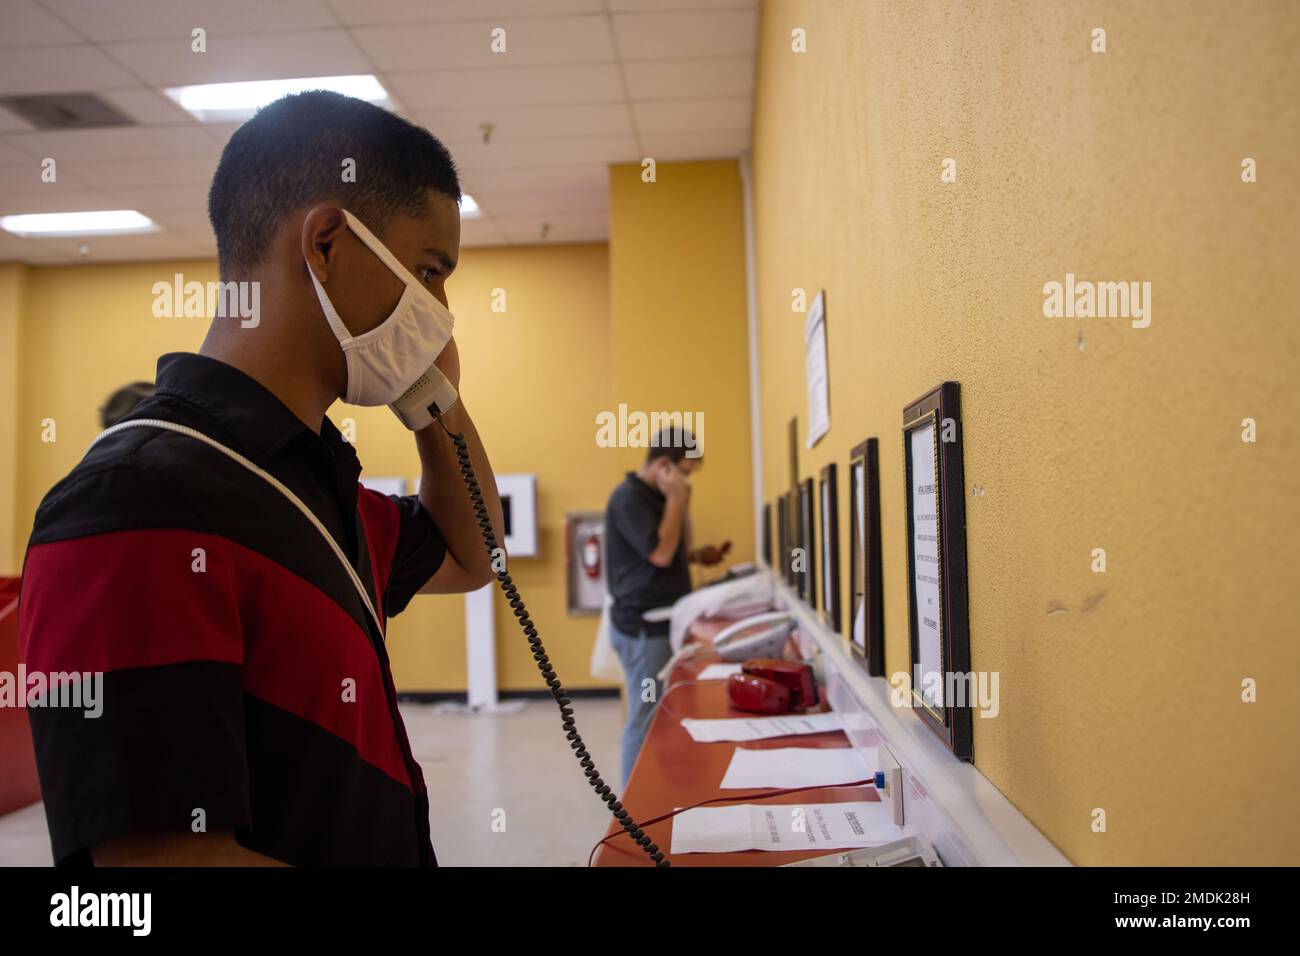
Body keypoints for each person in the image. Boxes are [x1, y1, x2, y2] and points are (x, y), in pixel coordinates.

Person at [17, 91, 503, 866]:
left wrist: (435, 401)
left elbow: (473, 556)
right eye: (427, 272)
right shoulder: (134, 502)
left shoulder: (310, 482)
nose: (439, 311)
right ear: (327, 244)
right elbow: (161, 866)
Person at [603, 431, 731, 785]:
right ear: (664, 466)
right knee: (643, 717)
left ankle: (659, 785)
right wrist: (677, 498)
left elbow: (669, 546)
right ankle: (629, 805)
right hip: (644, 629)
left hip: (664, 623)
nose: (686, 483)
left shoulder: (657, 497)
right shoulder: (628, 498)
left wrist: (696, 554)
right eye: (684, 473)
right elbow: (659, 555)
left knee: (662, 711)